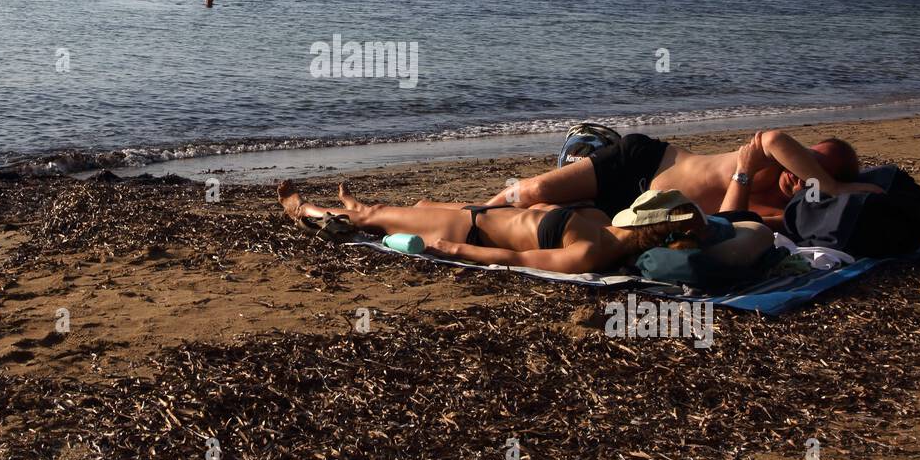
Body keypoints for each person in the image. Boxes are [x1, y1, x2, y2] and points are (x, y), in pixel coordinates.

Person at [277, 180, 709, 275]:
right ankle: (359, 205)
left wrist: (454, 250)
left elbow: (516, 258)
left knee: (372, 220)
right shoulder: (605, 226)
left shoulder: (592, 253)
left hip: (469, 229)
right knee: (415, 202)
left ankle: (303, 210)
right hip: (479, 211)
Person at [483, 129, 882, 230]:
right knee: (533, 190)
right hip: (644, 164)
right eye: (808, 160)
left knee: (546, 214)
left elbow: (730, 225)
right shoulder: (771, 159)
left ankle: (475, 223)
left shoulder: (787, 212)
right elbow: (776, 138)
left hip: (636, 213)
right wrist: (835, 187)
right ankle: (478, 209)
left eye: (819, 174)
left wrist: (836, 193)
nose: (800, 174)